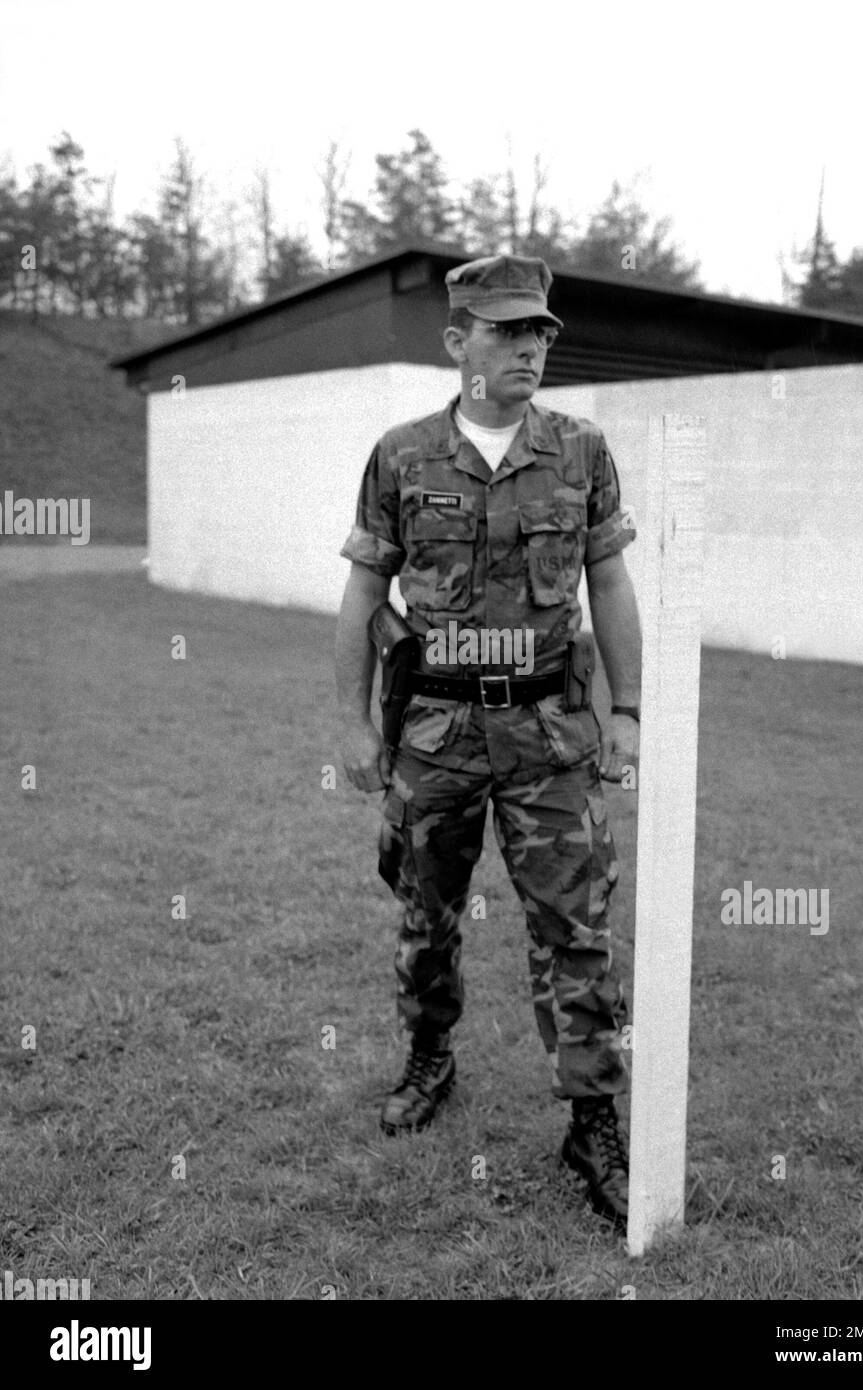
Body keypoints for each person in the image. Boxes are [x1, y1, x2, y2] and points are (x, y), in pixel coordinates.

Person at [335, 254, 642, 1226]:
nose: (530, 348)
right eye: (508, 331)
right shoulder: (401, 456)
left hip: (550, 732)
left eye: (541, 331)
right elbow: (360, 592)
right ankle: (431, 1056)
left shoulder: (581, 452)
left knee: (576, 929)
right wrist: (351, 722)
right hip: (434, 733)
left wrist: (625, 709)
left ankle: (592, 1118)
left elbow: (613, 584)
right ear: (457, 341)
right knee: (427, 918)